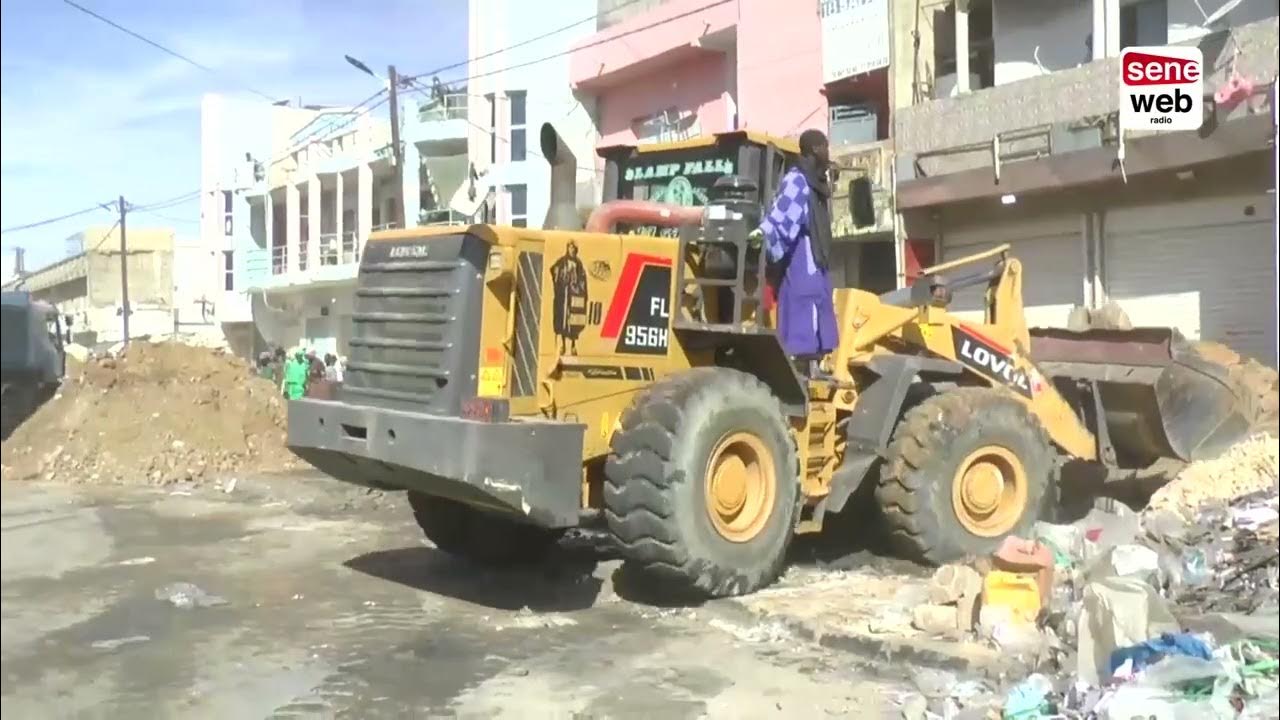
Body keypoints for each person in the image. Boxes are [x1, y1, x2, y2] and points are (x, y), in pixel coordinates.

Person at [749, 128, 839, 377]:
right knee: (803, 302)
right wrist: (763, 233)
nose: (827, 152)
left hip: (816, 257)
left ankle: (816, 364)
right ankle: (803, 365)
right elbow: (781, 214)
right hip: (802, 255)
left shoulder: (817, 181)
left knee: (818, 301)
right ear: (814, 149)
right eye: (825, 147)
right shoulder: (797, 179)